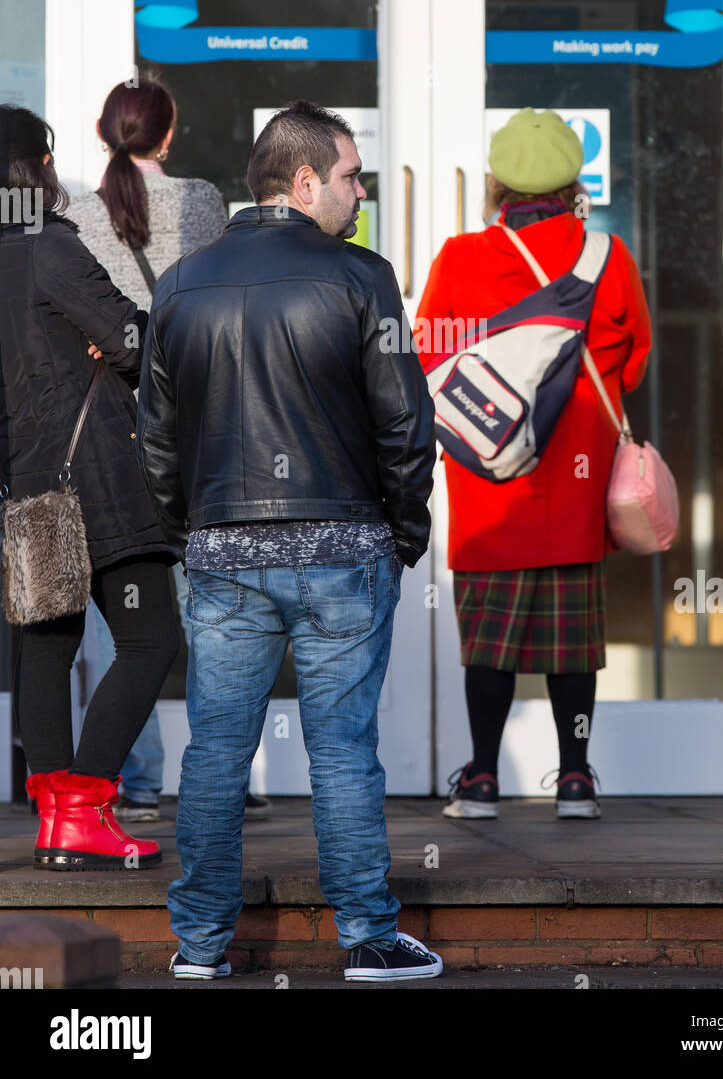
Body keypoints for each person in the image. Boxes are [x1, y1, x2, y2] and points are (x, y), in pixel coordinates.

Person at [136, 99, 441, 982]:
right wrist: (404, 530)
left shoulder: (181, 283)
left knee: (215, 752)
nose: (360, 190)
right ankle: (370, 940)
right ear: (303, 180)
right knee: (343, 750)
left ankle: (198, 946)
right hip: (344, 548)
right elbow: (404, 423)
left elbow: (155, 436)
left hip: (223, 555)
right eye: (351, 176)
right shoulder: (361, 276)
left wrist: (187, 534)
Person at [414, 108, 652, 820]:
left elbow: (428, 360)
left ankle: (482, 779)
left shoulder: (460, 257)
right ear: (573, 181)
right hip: (578, 483)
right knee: (573, 645)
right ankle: (575, 779)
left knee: (488, 643)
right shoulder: (608, 258)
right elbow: (635, 364)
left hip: (491, 483)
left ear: (497, 184)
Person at [0, 105, 179, 868]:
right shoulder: (48, 248)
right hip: (97, 479)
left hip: (25, 484)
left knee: (45, 646)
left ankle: (54, 821)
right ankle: (87, 803)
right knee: (148, 639)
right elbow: (134, 342)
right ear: (28, 166)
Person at [67, 77, 237, 823]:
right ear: (167, 137)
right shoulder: (201, 201)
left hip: (109, 429)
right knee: (216, 608)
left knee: (125, 613)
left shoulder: (71, 214)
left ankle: (135, 780)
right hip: (198, 420)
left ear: (105, 135)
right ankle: (222, 771)